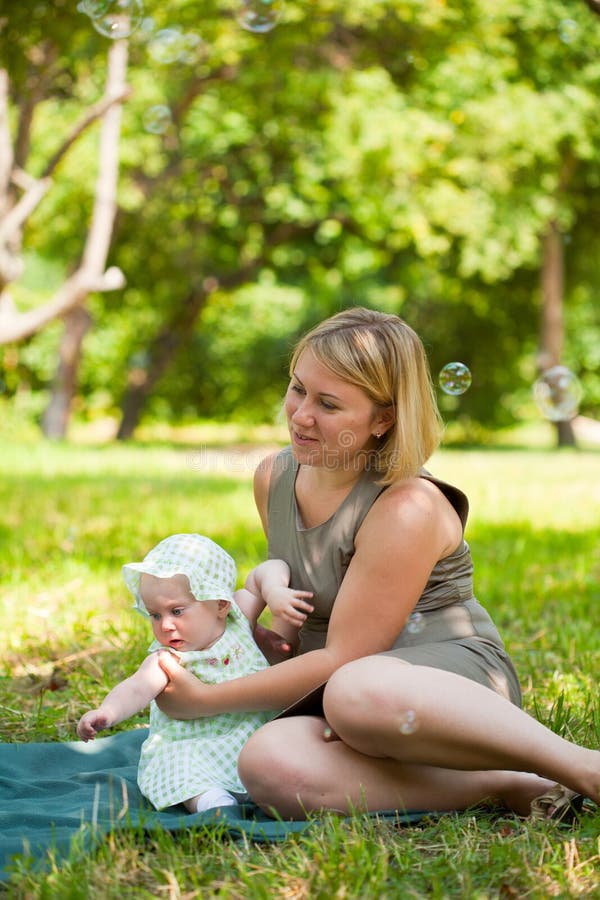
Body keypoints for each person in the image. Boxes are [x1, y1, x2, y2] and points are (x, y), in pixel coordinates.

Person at [155, 308, 600, 823]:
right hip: (338, 693)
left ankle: (582, 767)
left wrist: (208, 699)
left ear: (383, 418)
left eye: (328, 403)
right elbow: (299, 615)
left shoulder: (406, 505)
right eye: (298, 389)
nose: (300, 415)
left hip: (440, 689)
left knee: (357, 690)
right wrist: (257, 636)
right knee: (269, 764)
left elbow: (345, 657)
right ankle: (507, 784)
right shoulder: (273, 476)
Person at [76, 533, 310, 813]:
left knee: (287, 749)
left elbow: (270, 569)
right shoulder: (168, 658)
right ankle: (212, 802)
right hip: (196, 745)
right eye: (156, 615)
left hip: (251, 738)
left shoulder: (239, 616)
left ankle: (266, 788)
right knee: (178, 765)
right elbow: (137, 687)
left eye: (177, 611)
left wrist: (275, 592)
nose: (165, 626)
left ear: (220, 604)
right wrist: (108, 711)